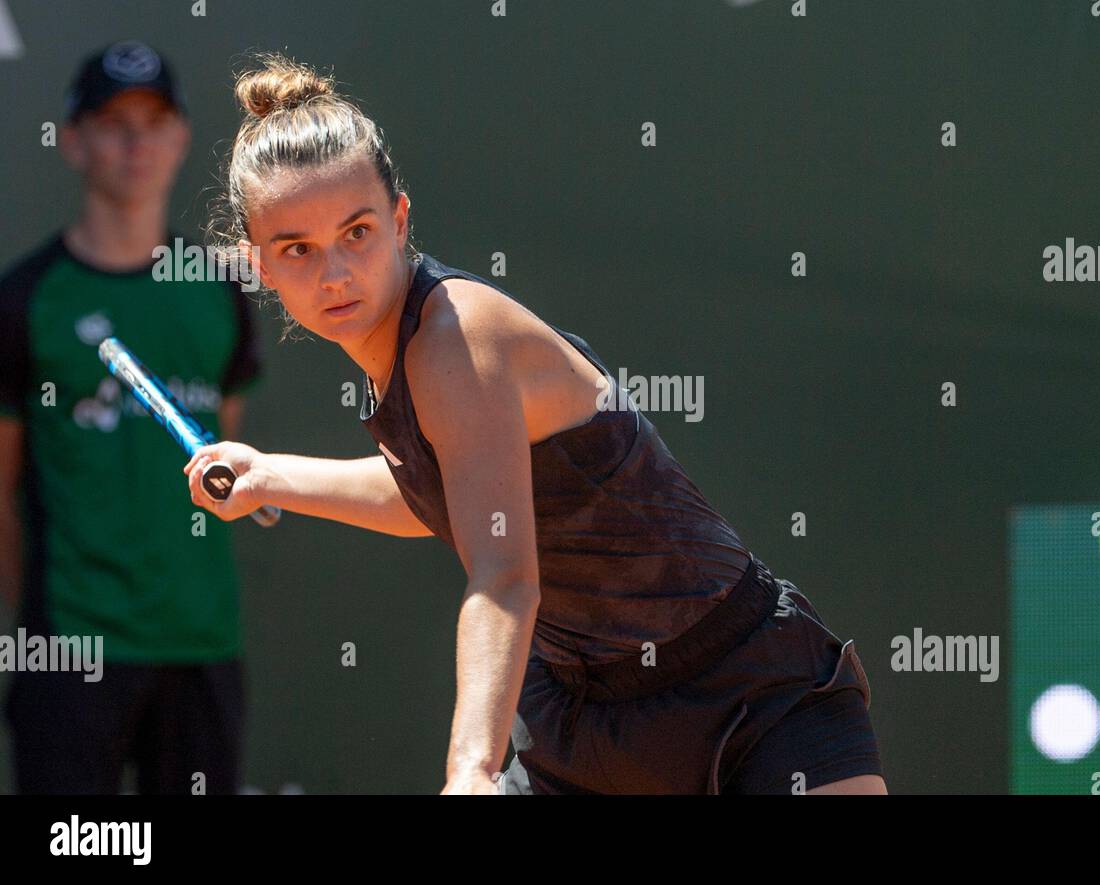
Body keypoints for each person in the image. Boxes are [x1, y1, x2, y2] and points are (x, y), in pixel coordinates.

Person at [185, 54, 884, 795]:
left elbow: (506, 574)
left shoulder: (456, 335)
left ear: (398, 220)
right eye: (298, 248)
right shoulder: (398, 360)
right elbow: (445, 499)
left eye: (356, 232)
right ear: (257, 265)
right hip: (580, 728)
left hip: (750, 699)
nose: (334, 272)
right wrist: (272, 475)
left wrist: (469, 768)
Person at [0, 41, 261, 794]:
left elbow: (232, 461)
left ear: (180, 138)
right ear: (74, 140)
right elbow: (2, 493)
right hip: (70, 652)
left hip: (202, 645)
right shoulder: (24, 301)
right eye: (114, 121)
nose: (136, 141)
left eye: (155, 121)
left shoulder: (221, 291)